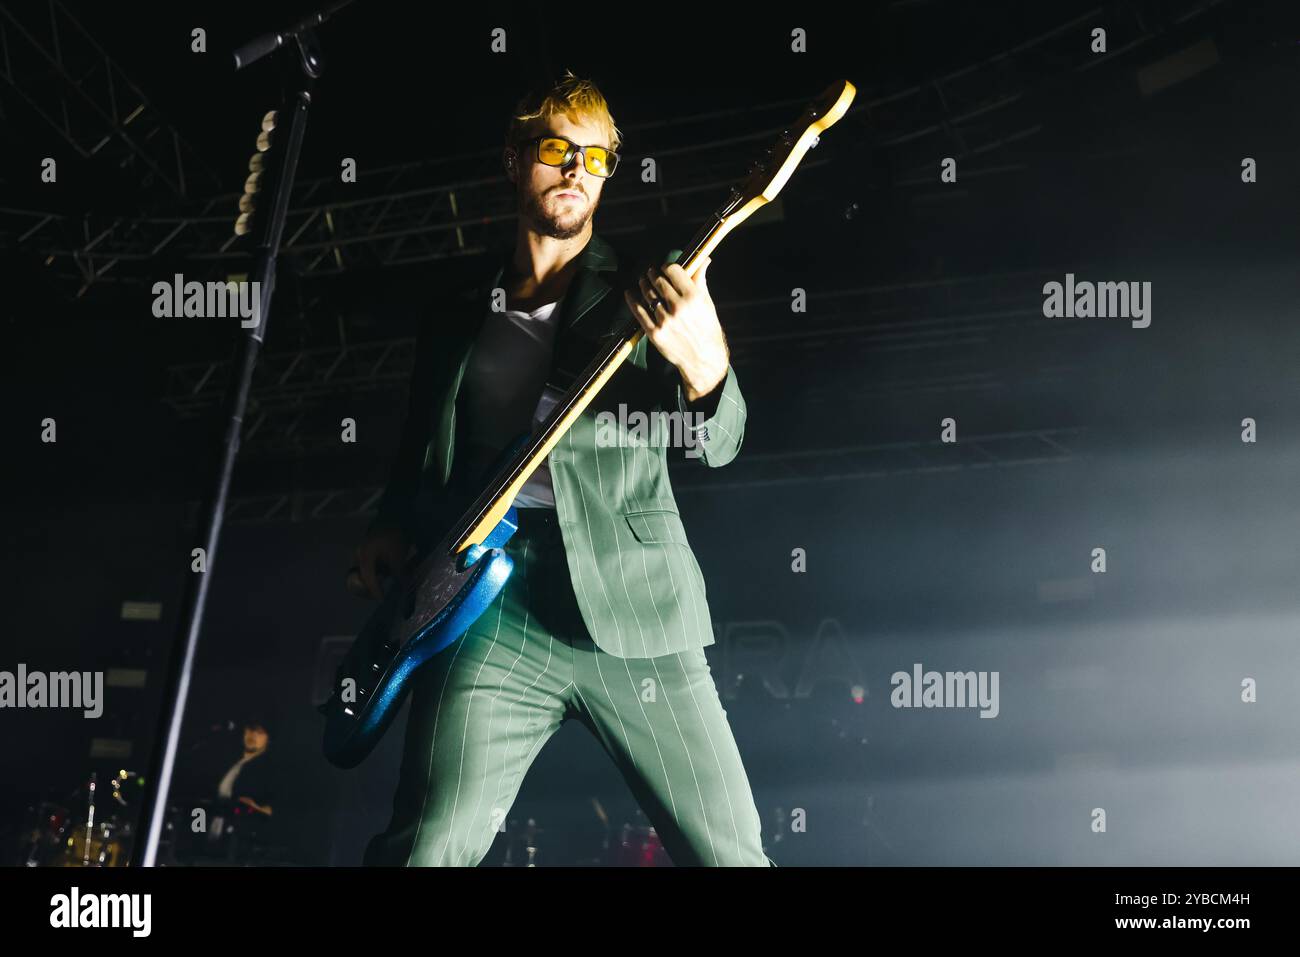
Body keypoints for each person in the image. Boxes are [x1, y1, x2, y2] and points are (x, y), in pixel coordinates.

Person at [355, 71, 772, 867]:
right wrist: (389, 520)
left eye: (597, 156)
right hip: (487, 607)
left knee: (732, 857)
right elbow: (422, 446)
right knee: (425, 850)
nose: (578, 169)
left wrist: (707, 367)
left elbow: (719, 440)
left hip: (635, 605)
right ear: (514, 161)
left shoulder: (645, 292)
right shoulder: (455, 308)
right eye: (556, 148)